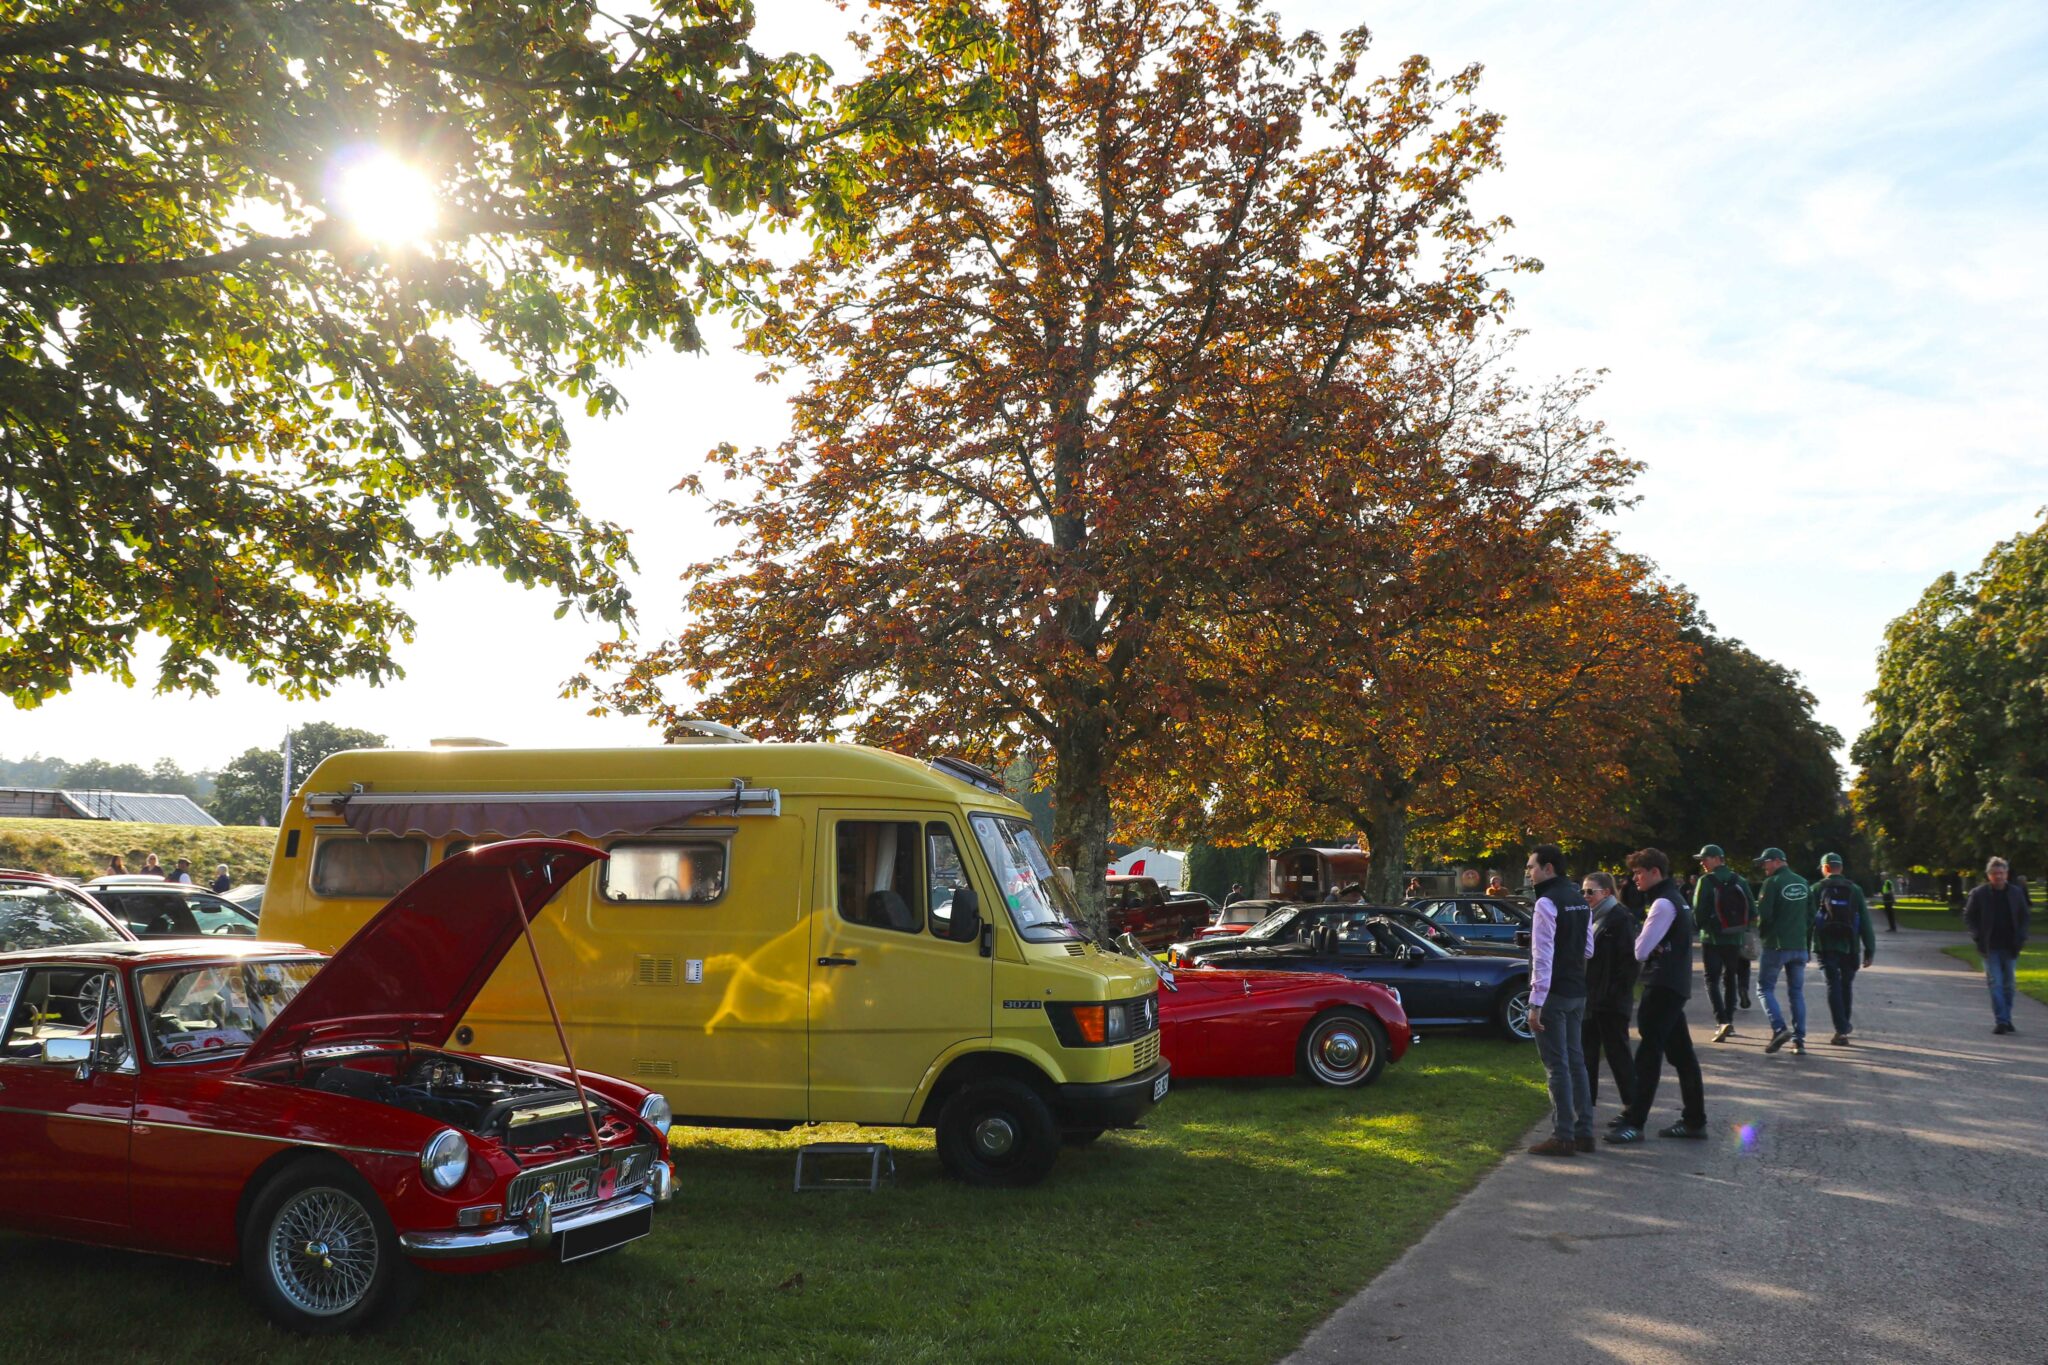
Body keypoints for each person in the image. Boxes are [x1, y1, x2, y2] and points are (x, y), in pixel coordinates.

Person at [1607, 848, 1707, 1143]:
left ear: (1654, 872)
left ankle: (1635, 1122)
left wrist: (1644, 938)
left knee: (1648, 1055)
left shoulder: (1663, 903)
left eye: (1638, 872)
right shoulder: (1676, 898)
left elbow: (1640, 949)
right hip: (1674, 984)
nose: (1634, 878)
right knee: (1682, 1055)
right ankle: (1694, 1120)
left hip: (1662, 985)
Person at [1524, 845, 1595, 1157]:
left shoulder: (1546, 902)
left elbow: (1542, 955)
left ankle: (1563, 1134)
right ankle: (1584, 1132)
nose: (1529, 873)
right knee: (1576, 1061)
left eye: (1532, 867)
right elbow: (1588, 948)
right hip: (1577, 989)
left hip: (1553, 993)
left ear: (1548, 868)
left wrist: (1535, 1003)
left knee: (1557, 1066)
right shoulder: (1580, 898)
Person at [1580, 870, 1640, 1117]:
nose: (1585, 896)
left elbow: (1629, 962)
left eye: (1589, 892)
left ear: (1606, 892)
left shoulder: (1618, 918)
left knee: (1618, 1054)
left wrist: (1614, 993)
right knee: (1587, 1054)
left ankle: (1633, 1107)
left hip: (1610, 1001)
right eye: (1582, 891)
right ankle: (1586, 1106)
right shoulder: (1594, 917)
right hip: (1593, 998)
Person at [1809, 853, 1877, 1045]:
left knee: (1832, 984)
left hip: (1825, 945)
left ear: (1826, 868)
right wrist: (1869, 949)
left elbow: (1809, 921)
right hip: (1850, 946)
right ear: (1841, 868)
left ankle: (1841, 1029)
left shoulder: (1816, 889)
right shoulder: (1854, 890)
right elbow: (1864, 921)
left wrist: (1805, 947)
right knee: (1846, 985)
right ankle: (1844, 1026)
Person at [1752, 848, 1811, 1055]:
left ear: (1777, 861)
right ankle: (1799, 1041)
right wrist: (1806, 943)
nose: (1763, 867)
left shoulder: (1772, 883)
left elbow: (1764, 915)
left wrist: (1762, 934)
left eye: (1765, 863)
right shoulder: (1803, 883)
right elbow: (1811, 916)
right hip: (1799, 946)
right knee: (1796, 992)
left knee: (1764, 988)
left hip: (1777, 945)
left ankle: (1779, 1028)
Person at [1963, 857, 2031, 1034]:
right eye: (1995, 874)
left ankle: (2006, 1018)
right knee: (1996, 984)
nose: (1998, 876)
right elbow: (1969, 917)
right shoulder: (1979, 894)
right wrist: (1977, 935)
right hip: (1989, 946)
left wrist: (2022, 936)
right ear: (1989, 876)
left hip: (2011, 946)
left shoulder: (2016, 893)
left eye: (2001, 873)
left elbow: (2024, 916)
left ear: (2006, 874)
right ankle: (2002, 1020)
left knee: (2009, 984)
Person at [1693, 844, 1754, 1042]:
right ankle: (1730, 1021)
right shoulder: (1740, 880)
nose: (1702, 862)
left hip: (1711, 938)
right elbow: (1752, 910)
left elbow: (1699, 912)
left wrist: (1701, 927)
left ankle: (1722, 1021)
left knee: (1712, 979)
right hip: (1734, 937)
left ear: (1718, 859)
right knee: (1730, 978)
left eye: (1706, 858)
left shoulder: (1706, 881)